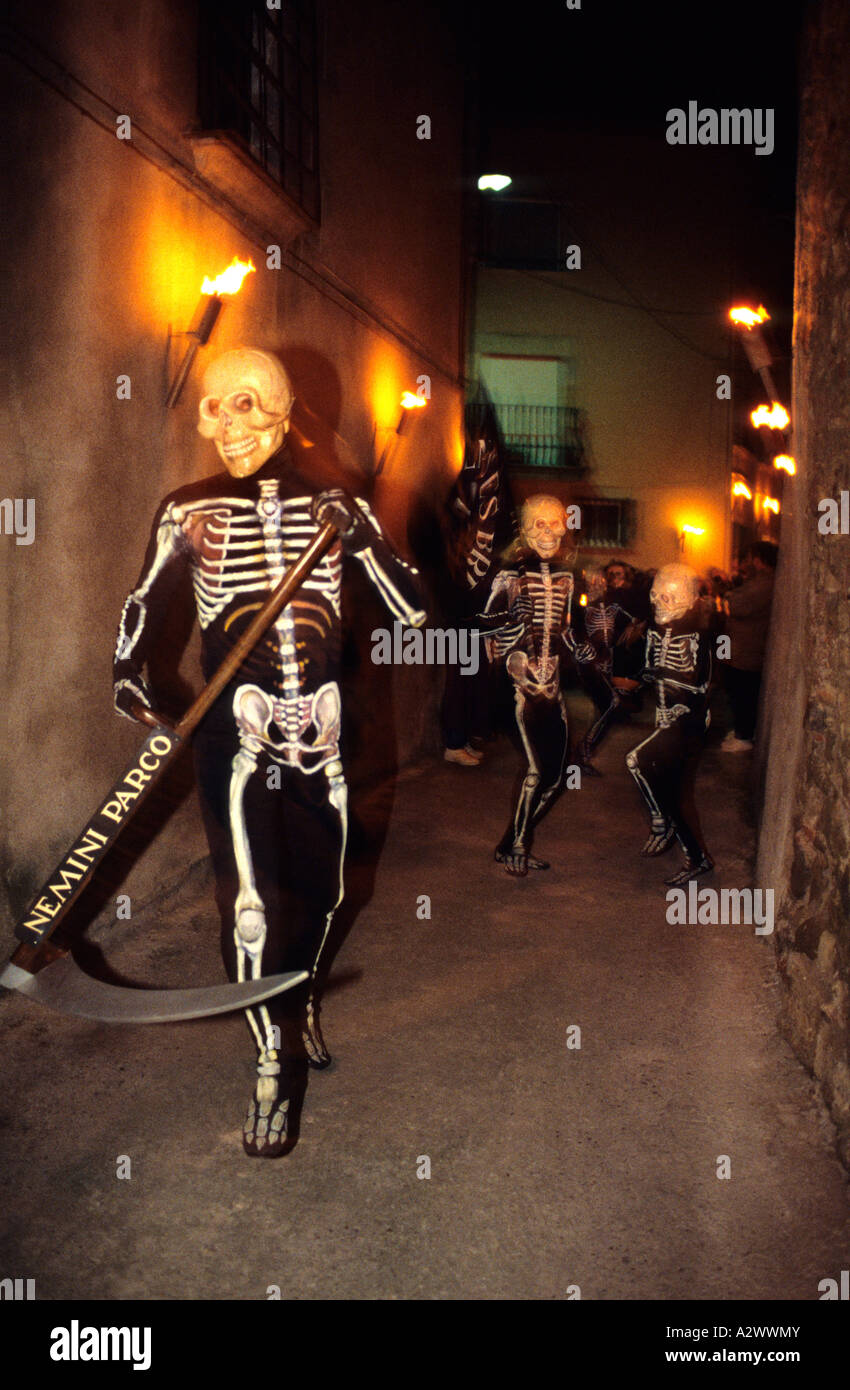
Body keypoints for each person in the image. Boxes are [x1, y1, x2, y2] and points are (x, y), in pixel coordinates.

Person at [113, 347, 426, 1157]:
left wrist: (363, 539)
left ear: (286, 413)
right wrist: (128, 680)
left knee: (321, 892)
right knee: (247, 903)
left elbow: (416, 611)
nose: (228, 426)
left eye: (247, 405)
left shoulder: (337, 504)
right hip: (237, 733)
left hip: (324, 728)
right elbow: (143, 606)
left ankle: (301, 996)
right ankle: (269, 1062)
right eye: (213, 408)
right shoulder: (187, 511)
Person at [479, 494, 594, 876]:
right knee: (533, 770)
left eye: (555, 523)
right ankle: (517, 846)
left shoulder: (566, 576)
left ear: (566, 526)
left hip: (554, 687)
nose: (548, 532)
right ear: (525, 532)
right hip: (518, 684)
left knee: (557, 774)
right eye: (537, 525)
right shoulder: (508, 574)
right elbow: (482, 623)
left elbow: (565, 627)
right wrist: (509, 614)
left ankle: (511, 840)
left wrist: (587, 653)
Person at [626, 563, 714, 886]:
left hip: (687, 721)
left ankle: (668, 829)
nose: (660, 603)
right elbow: (649, 667)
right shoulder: (655, 630)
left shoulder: (700, 636)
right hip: (665, 718)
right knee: (668, 787)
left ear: (691, 601)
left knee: (638, 762)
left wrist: (662, 676)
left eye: (670, 598)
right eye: (656, 595)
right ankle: (691, 850)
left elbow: (700, 685)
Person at [719, 541, 777, 751]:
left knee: (743, 692)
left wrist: (728, 599)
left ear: (760, 560)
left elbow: (735, 605)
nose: (747, 562)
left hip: (746, 651)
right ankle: (738, 729)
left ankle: (744, 735)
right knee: (732, 688)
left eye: (751, 557)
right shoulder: (756, 581)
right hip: (732, 647)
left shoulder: (764, 584)